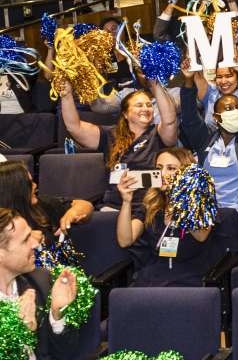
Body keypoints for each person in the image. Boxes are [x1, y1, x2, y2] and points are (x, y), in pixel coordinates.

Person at [59, 78, 178, 209]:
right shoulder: (111, 134)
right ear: (125, 114)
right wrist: (66, 95)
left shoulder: (158, 134)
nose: (146, 108)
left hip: (151, 207)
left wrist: (155, 84)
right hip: (115, 206)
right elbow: (74, 127)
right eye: (139, 105)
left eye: (149, 105)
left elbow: (169, 121)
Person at [115, 148, 225, 286]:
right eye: (159, 168)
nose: (162, 174)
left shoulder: (202, 201)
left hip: (190, 279)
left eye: (171, 168)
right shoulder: (151, 203)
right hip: (153, 278)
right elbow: (125, 240)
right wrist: (126, 201)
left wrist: (181, 197)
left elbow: (201, 235)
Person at [178, 58, 238, 224]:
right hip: (207, 215)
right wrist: (188, 80)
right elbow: (189, 118)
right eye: (228, 109)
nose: (236, 112)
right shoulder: (206, 140)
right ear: (216, 117)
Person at [0, 207, 80, 360]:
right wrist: (18, 332)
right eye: (25, 240)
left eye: (31, 235)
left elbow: (65, 355)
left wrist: (58, 316)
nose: (35, 244)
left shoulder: (40, 281)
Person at [0, 161, 93, 240]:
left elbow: (85, 205)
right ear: (15, 190)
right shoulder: (3, 222)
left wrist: (72, 214)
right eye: (29, 184)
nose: (35, 185)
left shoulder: (45, 204)